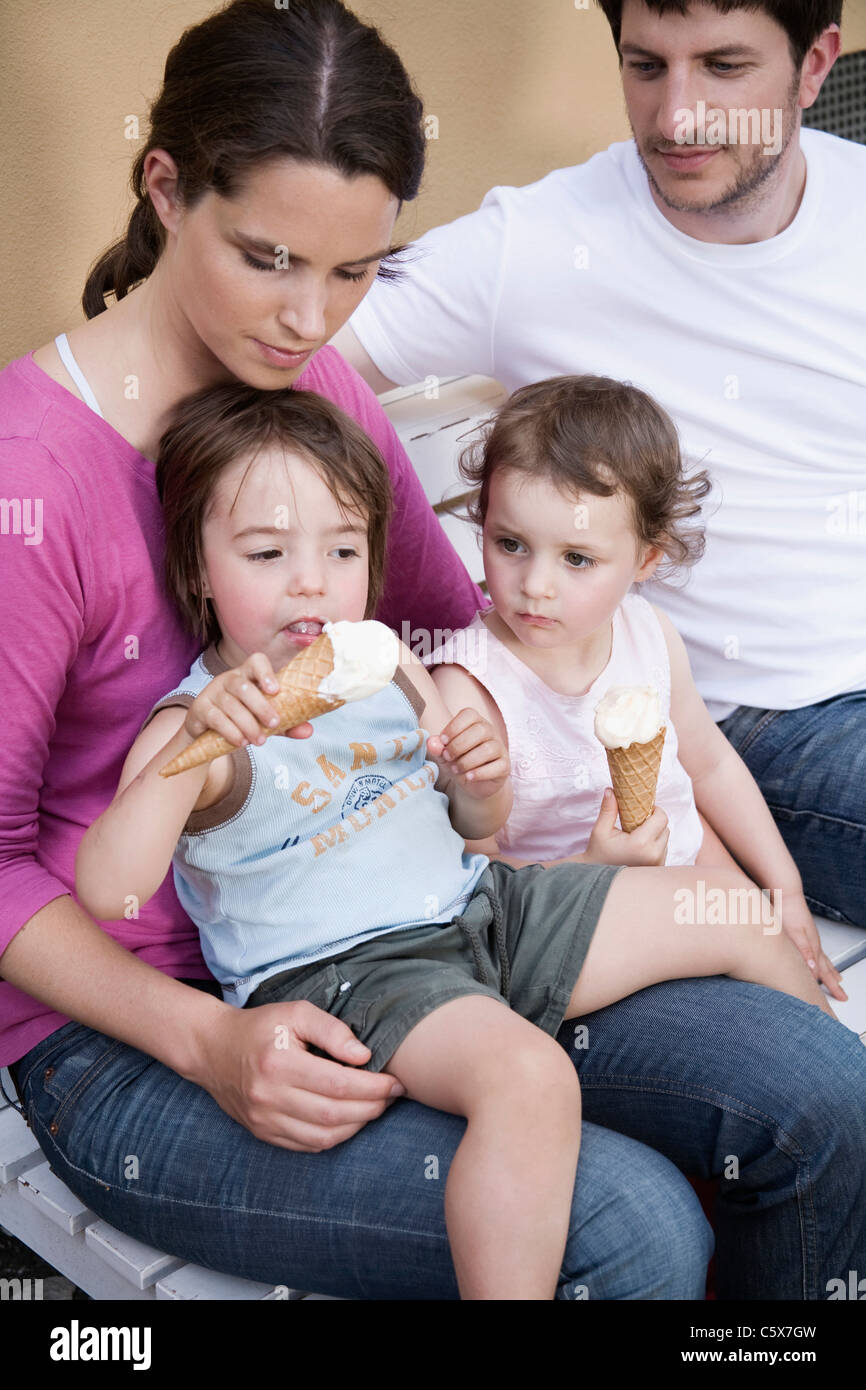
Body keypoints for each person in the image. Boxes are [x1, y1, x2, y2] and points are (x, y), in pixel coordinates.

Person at [0, 0, 719, 1302]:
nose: (307, 320)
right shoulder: (23, 483)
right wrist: (210, 1039)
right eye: (268, 257)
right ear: (163, 187)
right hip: (127, 1036)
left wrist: (479, 744)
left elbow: (445, 629)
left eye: (354, 273)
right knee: (631, 1228)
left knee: (809, 1095)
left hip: (422, 916)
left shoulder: (313, 388)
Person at [76, 381, 837, 1299]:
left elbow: (473, 826)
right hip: (355, 974)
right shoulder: (195, 729)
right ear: (197, 570)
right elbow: (108, 887)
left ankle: (842, 1092)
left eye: (343, 549)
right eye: (268, 553)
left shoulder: (388, 662)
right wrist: (198, 743)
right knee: (532, 1081)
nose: (312, 579)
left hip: (483, 908)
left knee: (729, 911)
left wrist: (481, 782)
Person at [334, 0, 866, 946]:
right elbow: (297, 367)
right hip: (759, 721)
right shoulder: (529, 244)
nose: (675, 117)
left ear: (815, 64)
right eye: (647, 65)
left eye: (725, 66)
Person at [425, 376, 846, 987]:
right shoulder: (469, 688)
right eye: (510, 544)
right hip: (576, 928)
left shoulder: (649, 633)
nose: (536, 584)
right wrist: (594, 865)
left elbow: (709, 767)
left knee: (800, 987)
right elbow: (476, 876)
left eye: (576, 558)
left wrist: (783, 884)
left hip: (690, 886)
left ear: (646, 559)